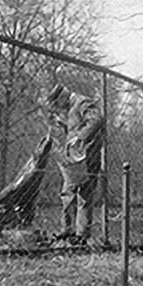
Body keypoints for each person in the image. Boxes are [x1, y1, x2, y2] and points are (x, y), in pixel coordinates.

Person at [46, 82, 105, 245]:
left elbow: (97, 119)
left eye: (57, 104)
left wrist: (80, 137)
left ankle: (81, 235)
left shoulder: (82, 103)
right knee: (67, 192)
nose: (59, 107)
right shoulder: (69, 110)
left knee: (84, 196)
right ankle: (68, 230)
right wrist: (62, 125)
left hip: (88, 158)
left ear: (63, 96)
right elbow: (73, 127)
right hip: (73, 161)